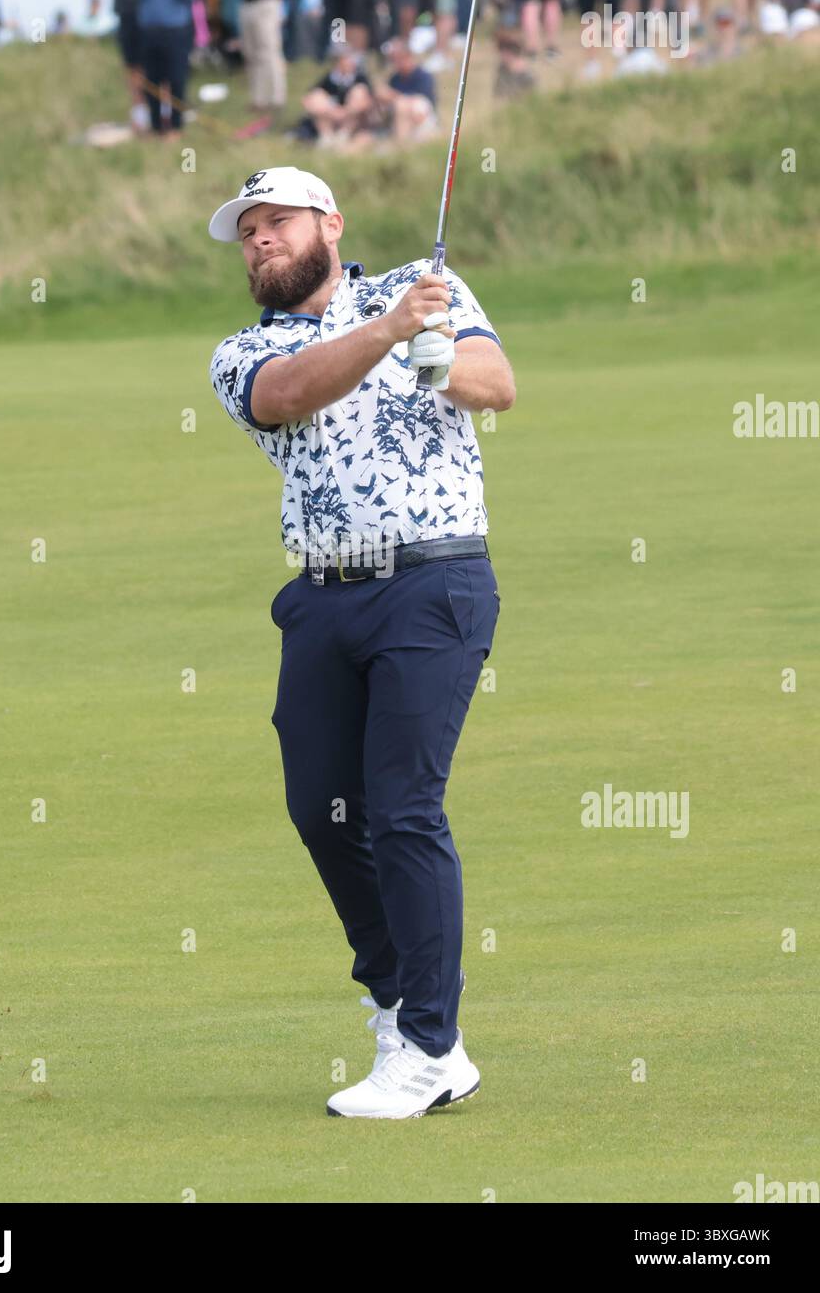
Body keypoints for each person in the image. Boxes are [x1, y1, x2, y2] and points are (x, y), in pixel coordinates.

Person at [207, 166, 515, 1119]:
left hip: (433, 580)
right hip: (323, 597)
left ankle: (427, 1044)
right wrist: (388, 336)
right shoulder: (241, 351)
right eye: (248, 230)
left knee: (403, 809)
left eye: (278, 222)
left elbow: (494, 386)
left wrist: (433, 349)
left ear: (329, 224)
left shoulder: (424, 288)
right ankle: (400, 1007)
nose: (260, 239)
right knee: (322, 812)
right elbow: (288, 395)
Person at [126, 0, 200, 136]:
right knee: (152, 81)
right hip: (149, 35)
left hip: (175, 35)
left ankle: (176, 127)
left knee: (177, 79)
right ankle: (157, 126)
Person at [236, 0, 292, 135]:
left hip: (266, 4)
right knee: (253, 53)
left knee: (269, 51)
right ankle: (259, 98)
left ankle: (276, 97)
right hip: (247, 5)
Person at [96, 0, 148, 129]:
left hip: (146, 14)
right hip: (125, 14)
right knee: (131, 65)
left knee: (149, 64)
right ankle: (139, 112)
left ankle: (156, 110)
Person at [298, 42, 377, 145]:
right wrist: (332, 111)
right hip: (331, 116)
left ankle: (344, 134)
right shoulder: (329, 79)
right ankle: (326, 136)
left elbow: (369, 101)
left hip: (353, 120)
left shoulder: (361, 79)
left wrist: (346, 111)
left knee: (359, 92)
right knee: (317, 96)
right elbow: (308, 99)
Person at [372, 35, 440, 143]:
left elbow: (422, 101)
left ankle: (401, 142)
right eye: (394, 60)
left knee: (402, 104)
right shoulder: (395, 78)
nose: (396, 63)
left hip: (423, 118)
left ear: (408, 57)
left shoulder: (423, 76)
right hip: (403, 117)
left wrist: (393, 95)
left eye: (399, 59)